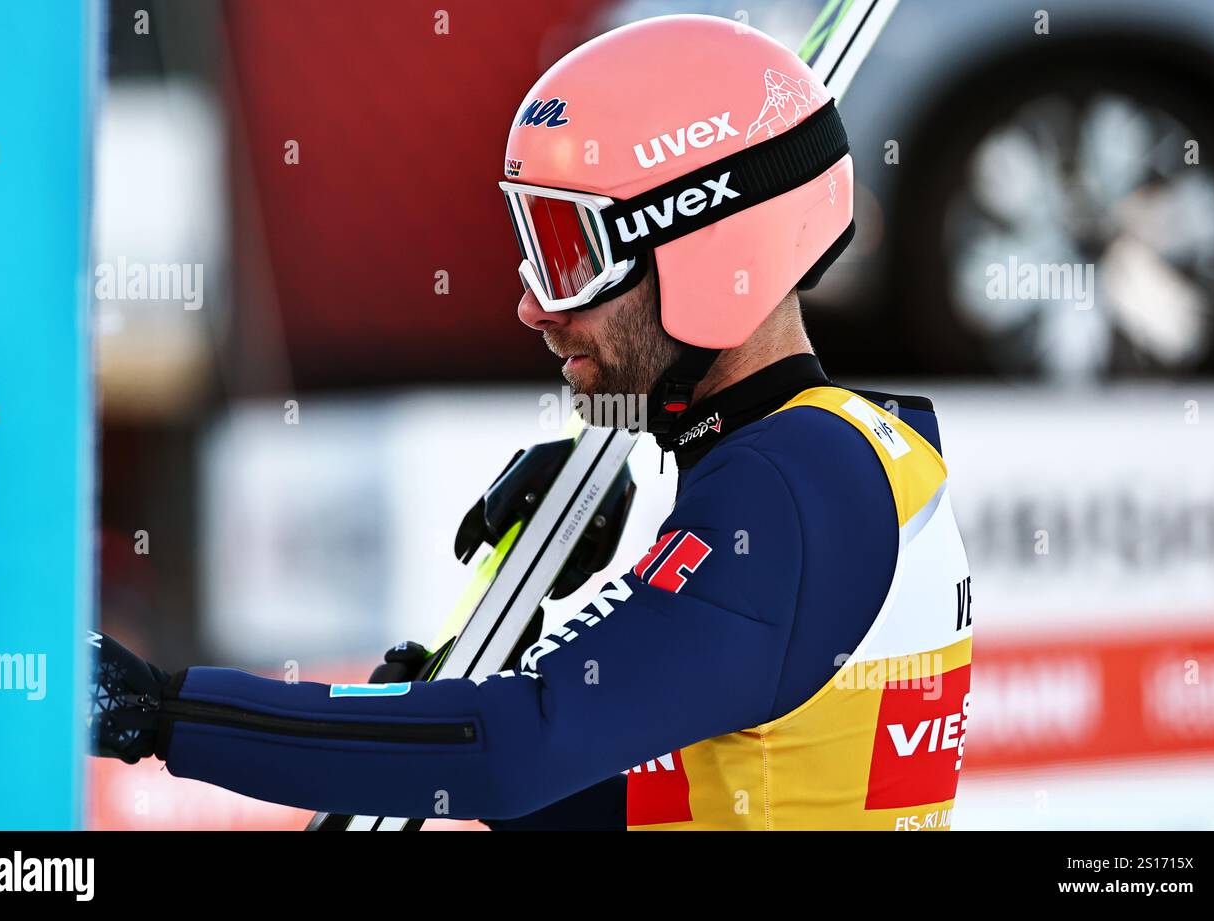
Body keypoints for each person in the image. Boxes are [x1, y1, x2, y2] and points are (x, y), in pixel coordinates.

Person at [91, 13, 973, 831]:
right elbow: (597, 797)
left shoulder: (786, 487)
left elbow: (517, 748)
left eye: (569, 252)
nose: (531, 306)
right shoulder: (845, 459)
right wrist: (436, 693)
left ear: (706, 247)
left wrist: (164, 712)